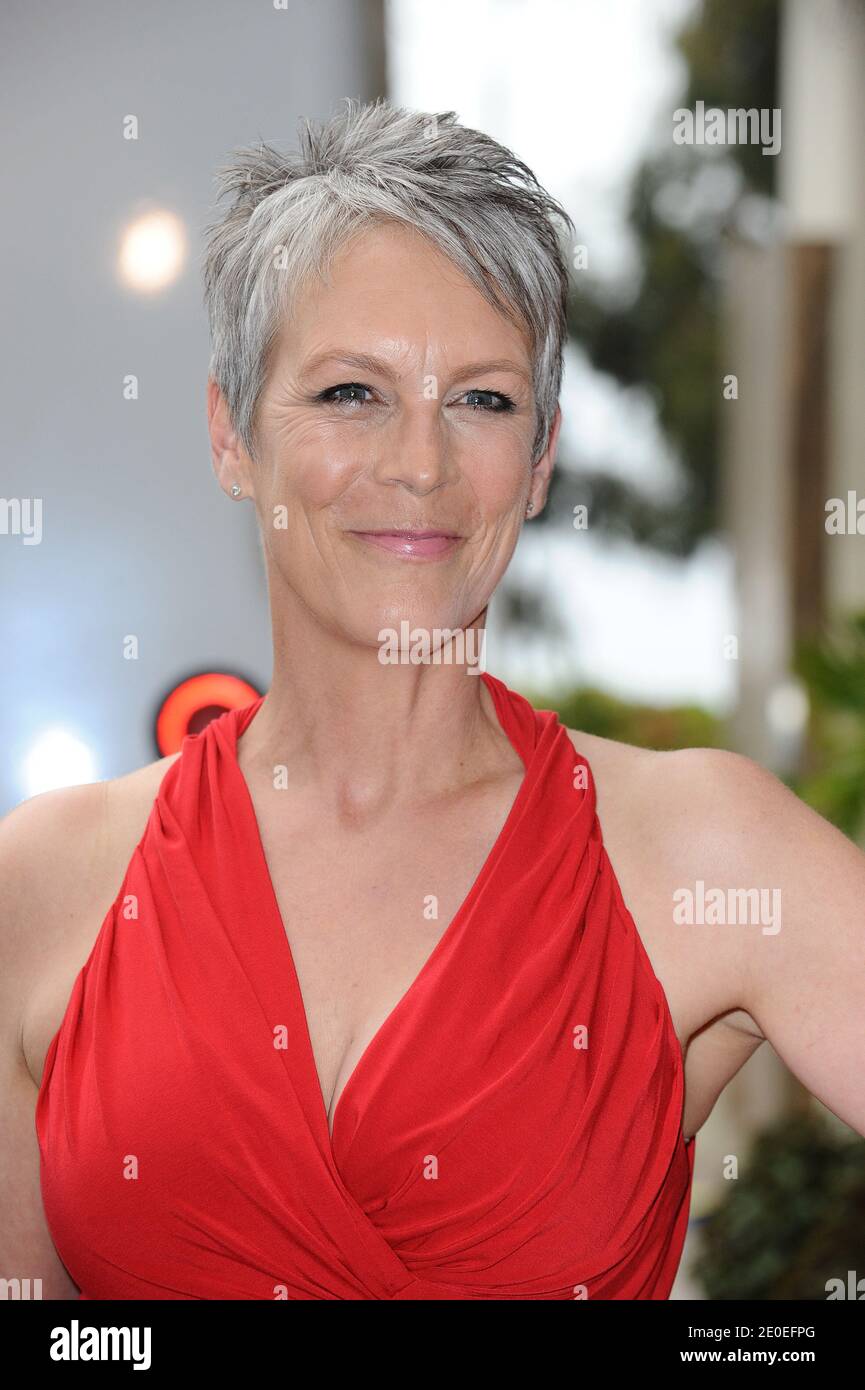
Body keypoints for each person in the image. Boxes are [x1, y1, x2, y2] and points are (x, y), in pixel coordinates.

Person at [2, 99, 863, 1301]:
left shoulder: (698, 846)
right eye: (352, 393)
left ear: (542, 456)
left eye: (483, 400)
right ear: (230, 434)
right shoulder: (43, 887)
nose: (420, 463)